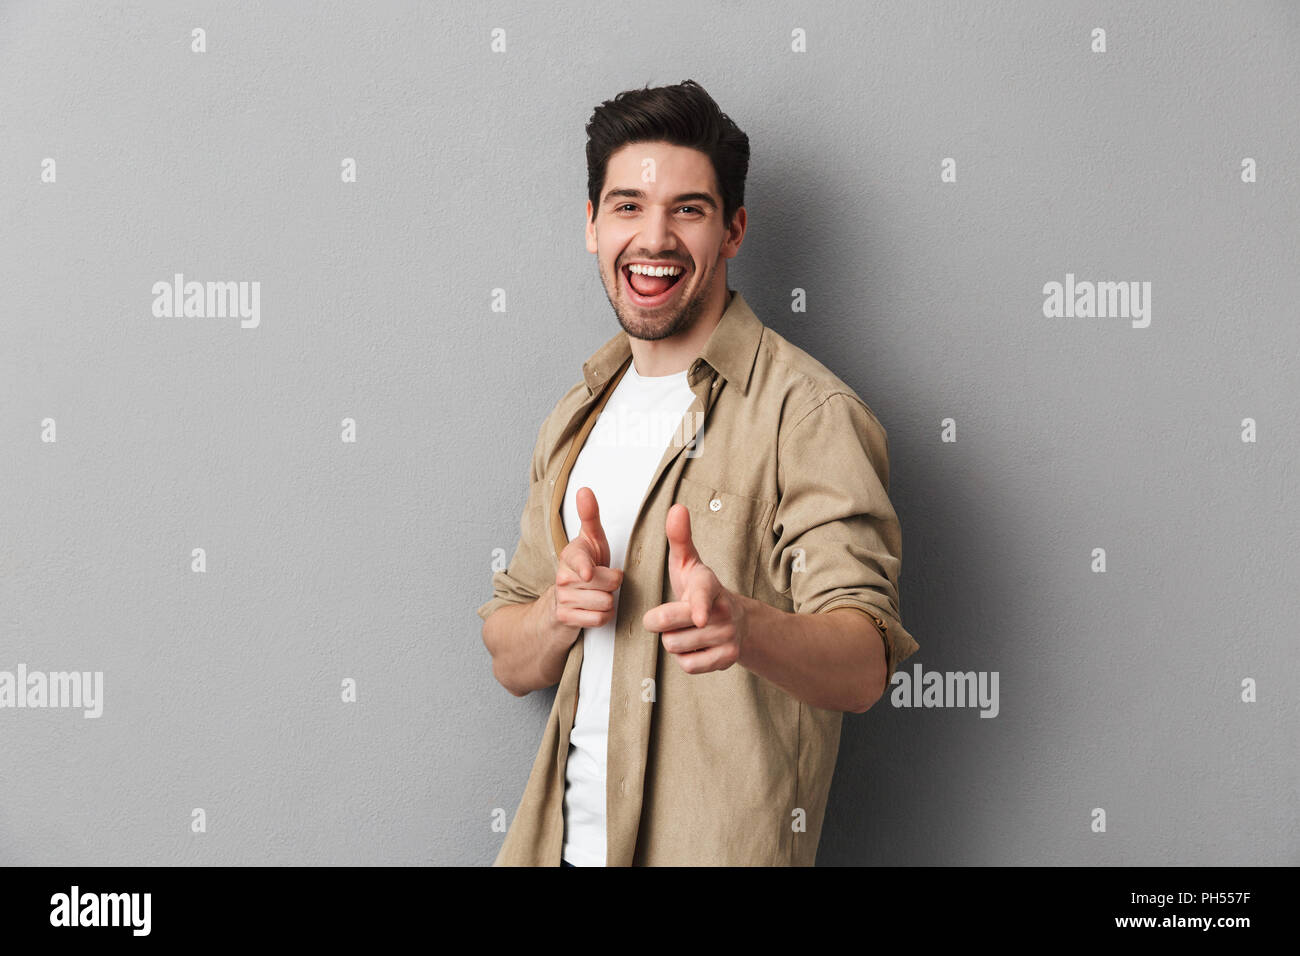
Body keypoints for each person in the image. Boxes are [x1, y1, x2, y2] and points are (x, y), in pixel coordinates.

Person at [477, 79, 919, 866]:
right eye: (626, 206)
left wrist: (742, 627)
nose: (654, 238)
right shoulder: (576, 417)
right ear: (591, 225)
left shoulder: (808, 414)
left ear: (733, 229)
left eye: (688, 209)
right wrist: (559, 610)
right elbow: (511, 656)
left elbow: (863, 665)